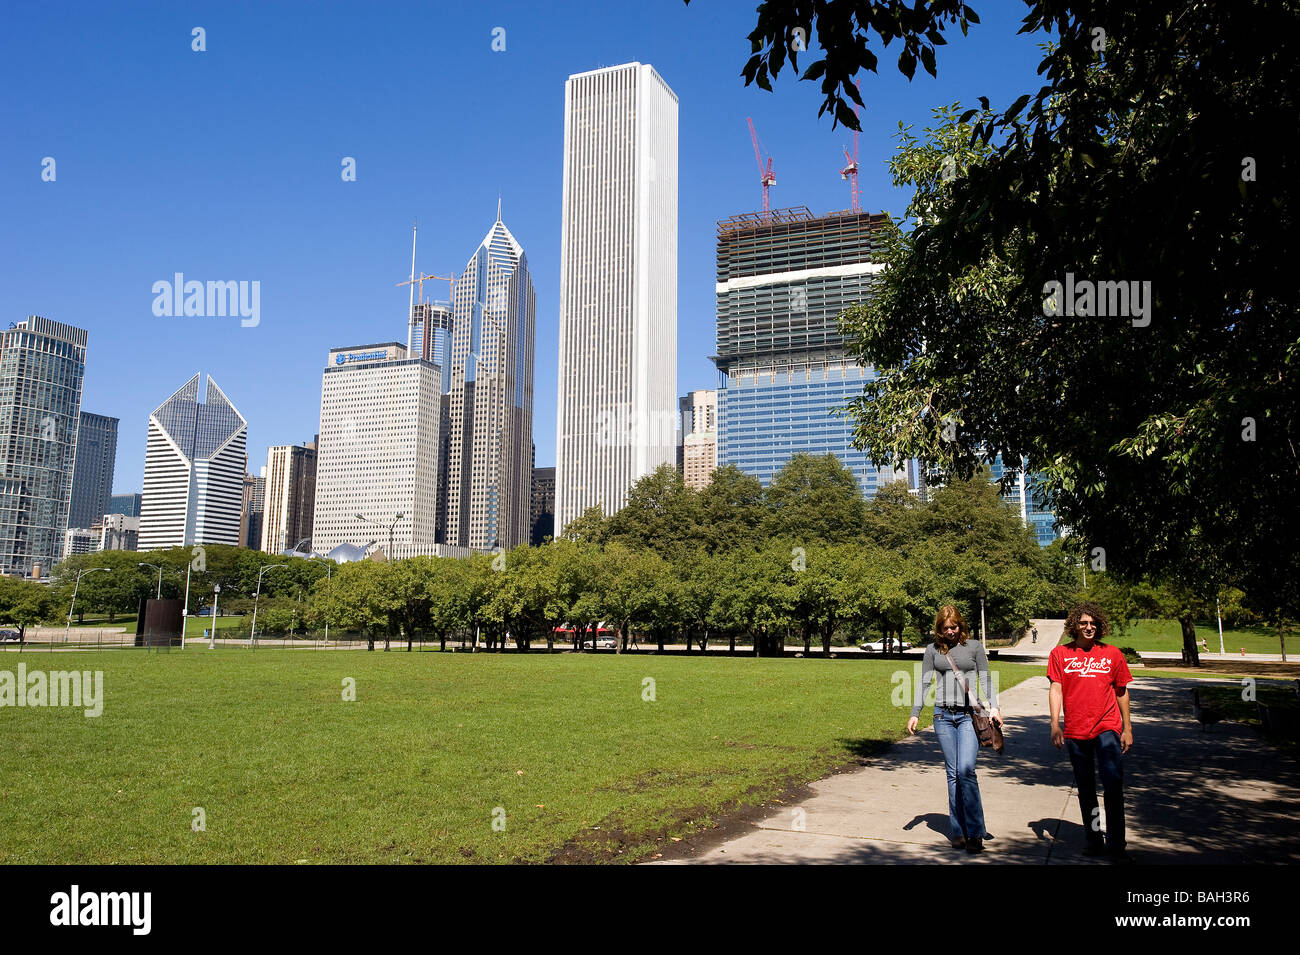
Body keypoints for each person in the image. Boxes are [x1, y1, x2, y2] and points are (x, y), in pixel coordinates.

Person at [908, 605, 1001, 853]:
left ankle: (975, 831)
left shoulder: (973, 647)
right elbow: (925, 682)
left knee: (966, 770)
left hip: (969, 717)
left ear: (961, 625)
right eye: (945, 628)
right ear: (939, 629)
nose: (950, 631)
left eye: (954, 626)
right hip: (943, 716)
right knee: (952, 774)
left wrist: (995, 707)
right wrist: (915, 713)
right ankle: (958, 831)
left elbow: (986, 678)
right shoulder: (932, 650)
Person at [1048, 602, 1134, 861]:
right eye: (1084, 623)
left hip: (1107, 728)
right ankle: (1095, 840)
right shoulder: (1060, 654)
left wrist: (1127, 728)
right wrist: (1055, 724)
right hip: (1076, 730)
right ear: (1074, 624)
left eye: (1093, 623)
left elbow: (1122, 691)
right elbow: (1056, 689)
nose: (1089, 627)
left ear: (1100, 626)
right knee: (1086, 789)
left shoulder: (1112, 654)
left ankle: (1117, 845)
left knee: (1113, 784)